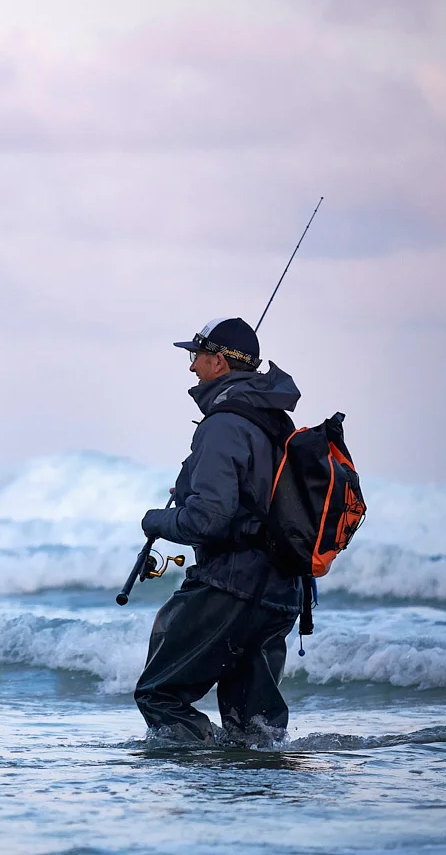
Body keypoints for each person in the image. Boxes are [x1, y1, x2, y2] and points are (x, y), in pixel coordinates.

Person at [134, 316, 304, 745]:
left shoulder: (224, 423)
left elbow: (207, 521)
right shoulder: (273, 419)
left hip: (232, 584)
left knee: (159, 694)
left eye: (197, 356)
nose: (192, 367)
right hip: (283, 591)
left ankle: (200, 780)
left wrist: (155, 520)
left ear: (220, 363)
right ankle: (258, 796)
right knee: (254, 727)